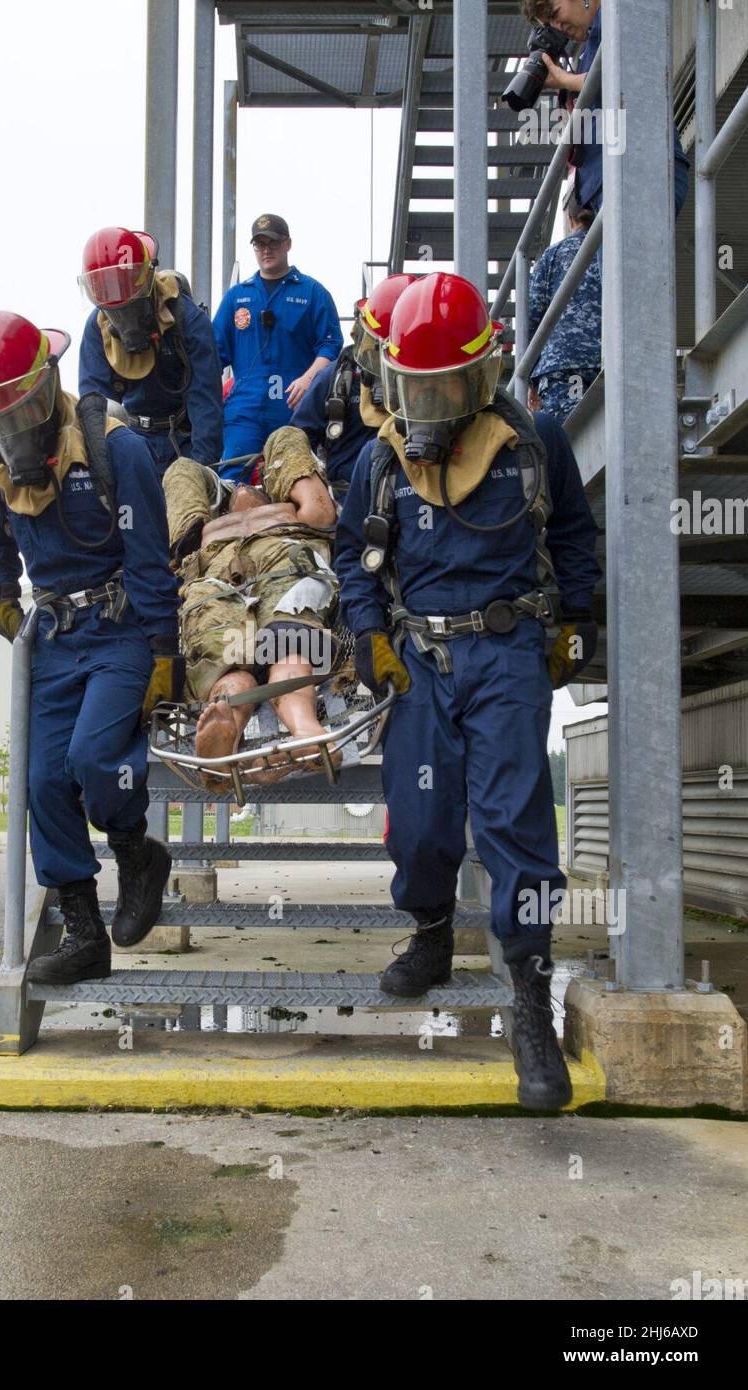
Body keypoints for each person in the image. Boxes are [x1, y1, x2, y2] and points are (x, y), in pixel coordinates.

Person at [334, 272, 601, 1112]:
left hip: (507, 653)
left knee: (516, 825)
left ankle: (528, 990)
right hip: (419, 660)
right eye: (420, 386)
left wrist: (577, 620)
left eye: (451, 383)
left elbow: (571, 534)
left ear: (482, 373)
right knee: (418, 825)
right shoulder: (378, 459)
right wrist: (369, 632)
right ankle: (431, 931)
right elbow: (352, 555)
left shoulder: (533, 441)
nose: (436, 401)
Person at [0, 309, 182, 980]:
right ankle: (83, 933)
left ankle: (136, 851)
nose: (6, 431)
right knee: (41, 781)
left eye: (13, 412)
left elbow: (148, 562)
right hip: (51, 640)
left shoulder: (118, 449)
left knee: (92, 757)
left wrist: (162, 652)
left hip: (119, 631)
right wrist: (1, 594)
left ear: (44, 385)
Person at [163, 426, 338, 787]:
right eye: (235, 490)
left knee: (288, 642)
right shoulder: (204, 532)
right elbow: (184, 474)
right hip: (216, 574)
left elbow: (320, 514)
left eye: (251, 486)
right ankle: (225, 722)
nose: (243, 487)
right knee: (226, 659)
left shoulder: (289, 511)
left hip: (284, 554)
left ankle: (305, 729)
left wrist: (288, 474)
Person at [525, 0, 690, 218]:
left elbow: (628, 79)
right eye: (549, 24)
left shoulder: (622, 16)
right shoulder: (592, 47)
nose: (558, 26)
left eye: (555, 13)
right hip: (613, 180)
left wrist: (566, 80)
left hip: (639, 171)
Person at [78, 227, 223, 475]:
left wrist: (202, 470)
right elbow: (94, 404)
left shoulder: (187, 318)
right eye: (107, 288)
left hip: (184, 440)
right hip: (131, 441)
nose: (117, 296)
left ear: (145, 278)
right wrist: (103, 472)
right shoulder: (98, 327)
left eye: (123, 286)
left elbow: (206, 403)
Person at [212, 215, 344, 477]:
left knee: (294, 481)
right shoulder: (236, 297)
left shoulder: (313, 293)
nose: (266, 250)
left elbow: (331, 347)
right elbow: (213, 355)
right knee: (231, 481)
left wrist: (308, 379)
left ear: (288, 244)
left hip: (294, 410)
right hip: (244, 411)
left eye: (273, 243)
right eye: (259, 244)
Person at [289, 279, 416, 492]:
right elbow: (298, 438)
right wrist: (309, 491)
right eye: (377, 350)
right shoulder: (335, 379)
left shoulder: (432, 386)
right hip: (343, 495)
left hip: (411, 495)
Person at [528, 189, 602, 421]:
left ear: (570, 219)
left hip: (562, 368)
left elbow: (532, 317)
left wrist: (530, 376)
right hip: (611, 363)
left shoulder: (553, 255)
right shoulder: (615, 249)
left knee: (565, 446)